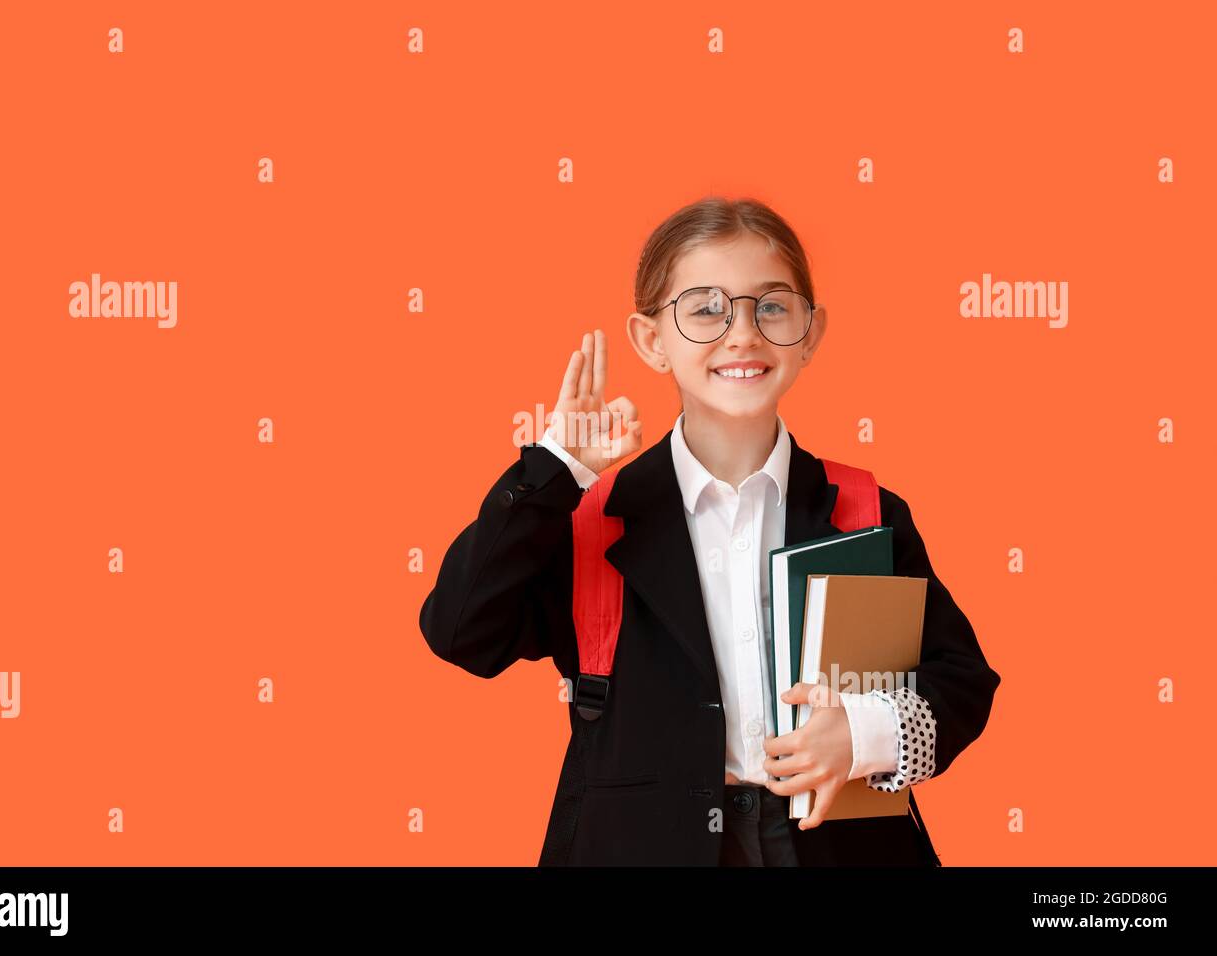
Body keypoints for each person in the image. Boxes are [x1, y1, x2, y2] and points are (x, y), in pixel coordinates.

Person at [419, 196, 1001, 866]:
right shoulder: (591, 519)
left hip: (834, 847)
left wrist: (863, 734)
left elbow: (962, 683)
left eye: (772, 306)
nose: (743, 334)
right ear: (651, 341)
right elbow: (461, 632)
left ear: (811, 333)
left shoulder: (866, 510)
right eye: (705, 309)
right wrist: (554, 470)